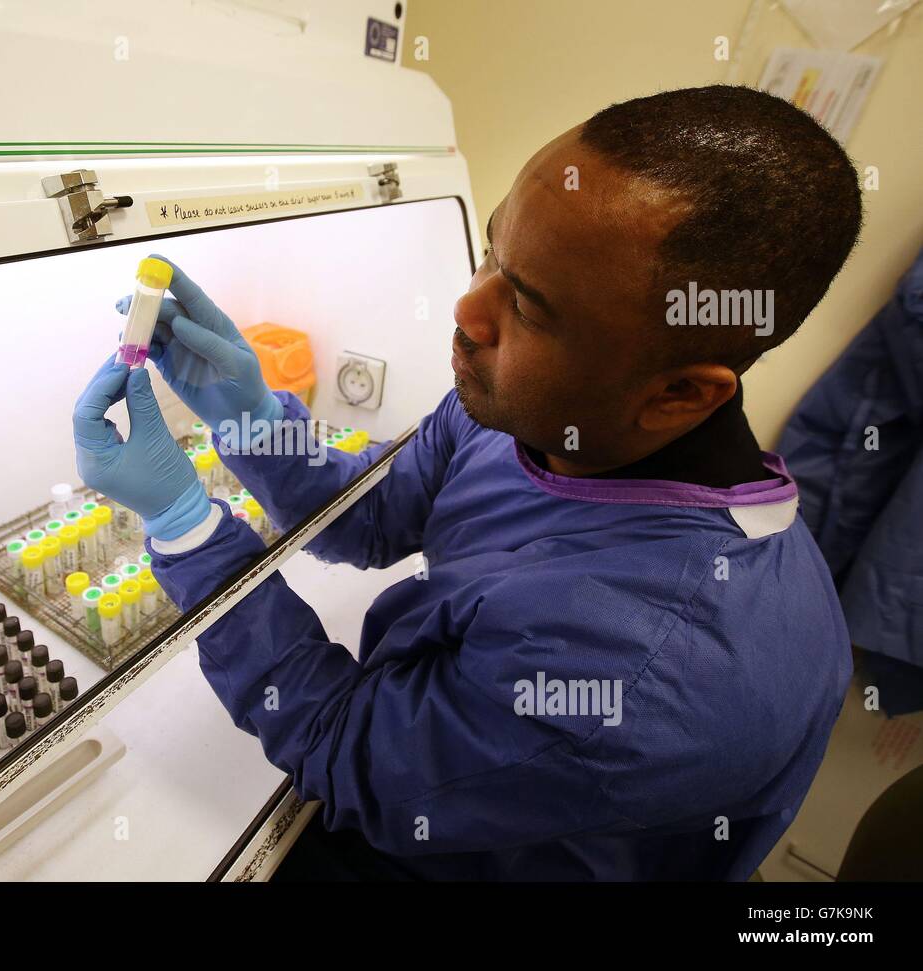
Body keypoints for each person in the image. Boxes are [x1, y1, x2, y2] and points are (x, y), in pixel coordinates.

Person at [72, 85, 860, 880]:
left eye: (529, 307)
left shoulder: (639, 669)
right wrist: (248, 417)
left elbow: (349, 752)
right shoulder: (534, 412)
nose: (467, 310)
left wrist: (190, 532)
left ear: (680, 394)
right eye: (494, 253)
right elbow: (375, 515)